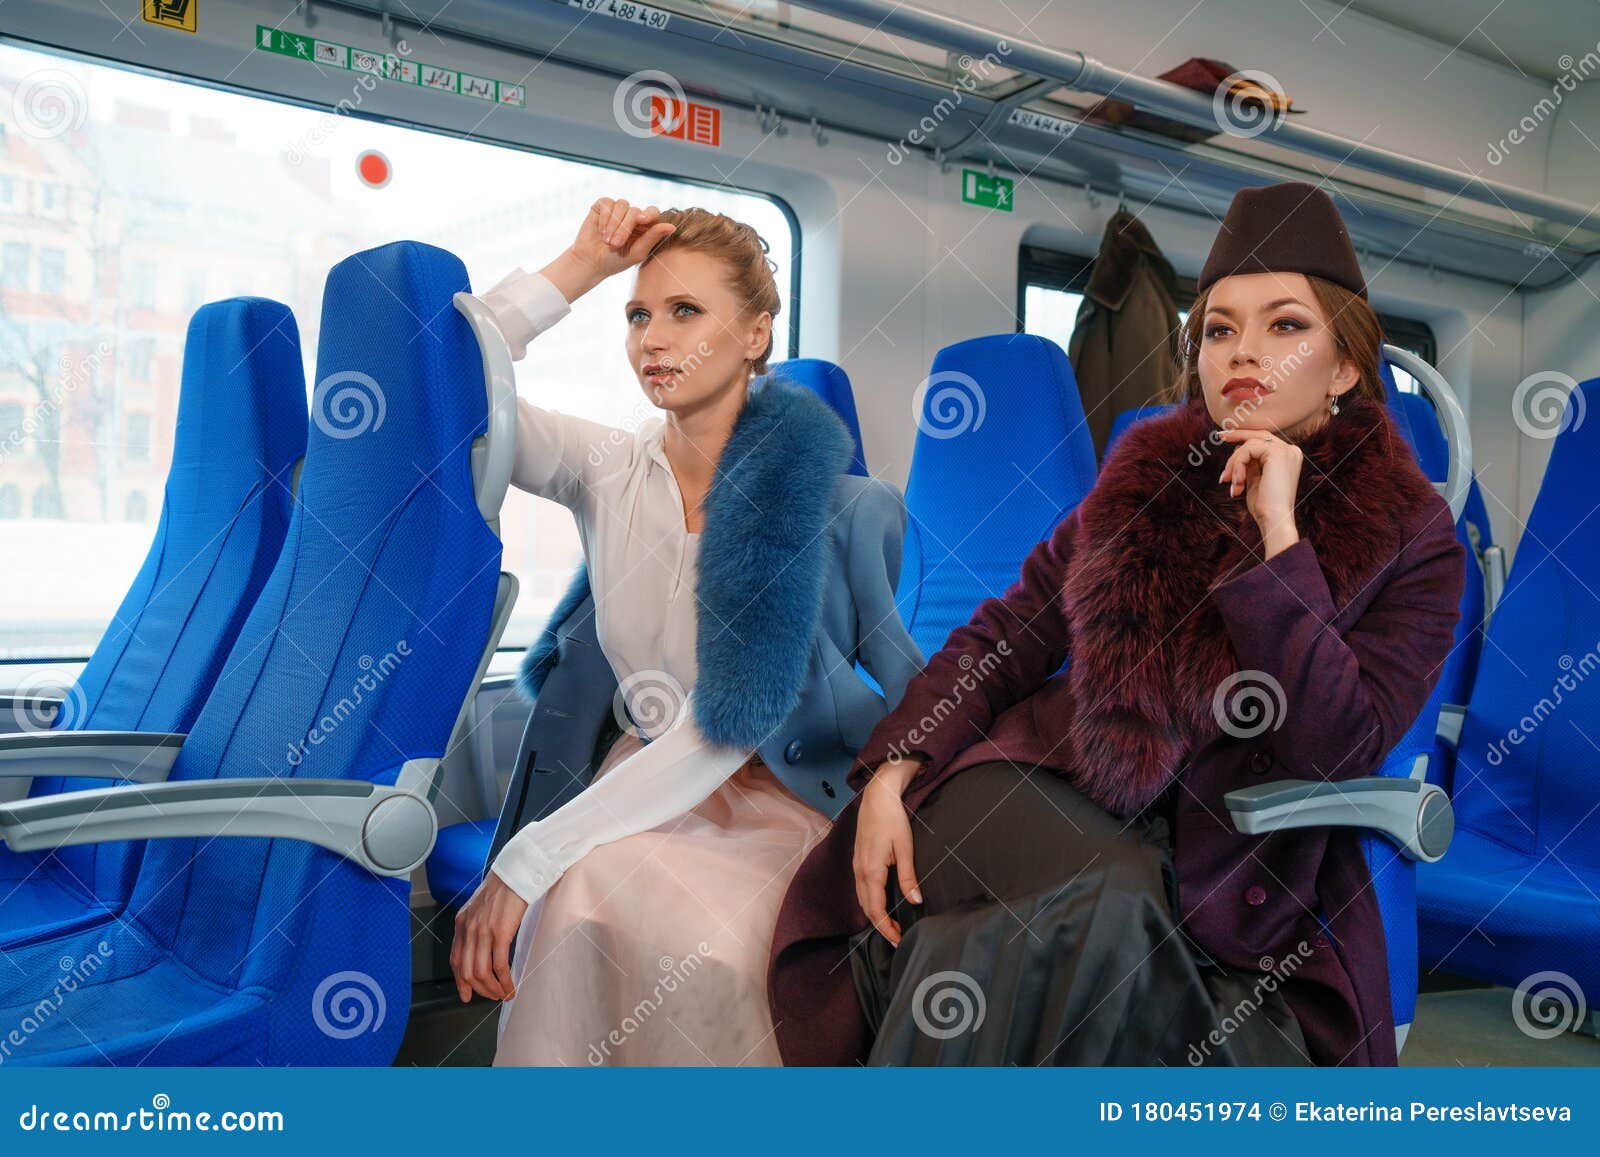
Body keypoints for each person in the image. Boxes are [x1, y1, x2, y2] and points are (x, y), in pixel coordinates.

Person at [769, 181, 1467, 1066]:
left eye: (1285, 326)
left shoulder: (1414, 540)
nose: (1243, 351)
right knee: (1116, 899)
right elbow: (1008, 633)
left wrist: (1278, 544)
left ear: (1343, 367)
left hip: (1241, 862)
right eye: (1220, 329)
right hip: (1034, 789)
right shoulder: (1141, 480)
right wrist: (893, 766)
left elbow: (1336, 746)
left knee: (1046, 938)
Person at [448, 198, 924, 1066]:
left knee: (704, 944)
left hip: (779, 790)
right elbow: (450, 395)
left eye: (685, 312)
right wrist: (580, 266)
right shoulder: (607, 469)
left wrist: (523, 858)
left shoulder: (824, 503)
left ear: (755, 335)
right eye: (637, 315)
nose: (651, 340)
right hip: (643, 772)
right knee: (583, 893)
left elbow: (728, 725)